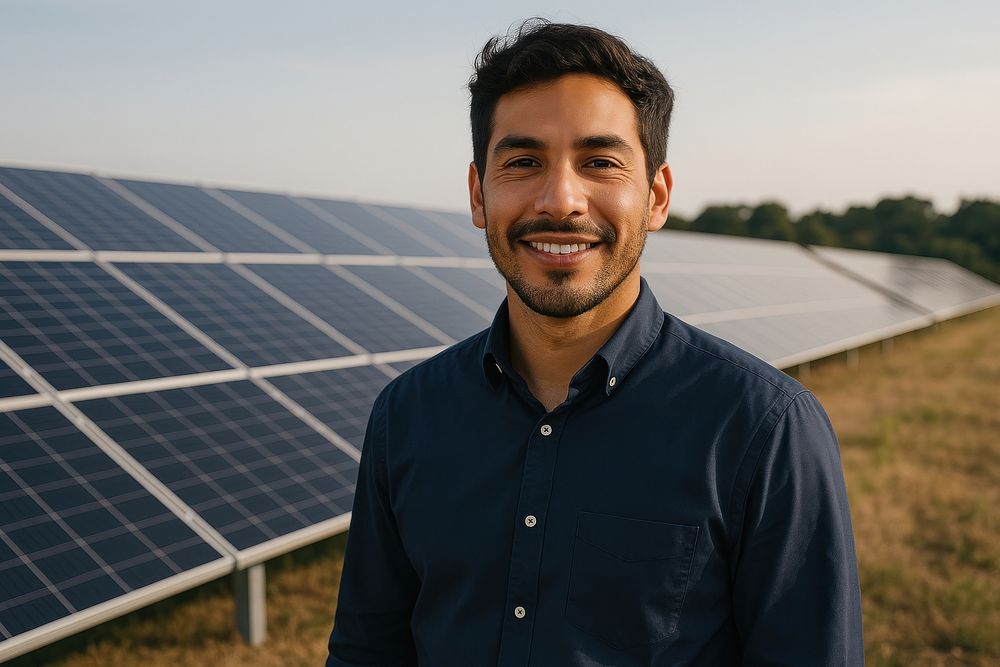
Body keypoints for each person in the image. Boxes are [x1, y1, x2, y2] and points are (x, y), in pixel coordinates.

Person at [326, 19, 864, 666]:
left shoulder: (764, 427)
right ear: (478, 193)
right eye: (523, 162)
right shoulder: (407, 414)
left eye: (600, 162)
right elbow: (367, 649)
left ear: (657, 196)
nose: (560, 199)